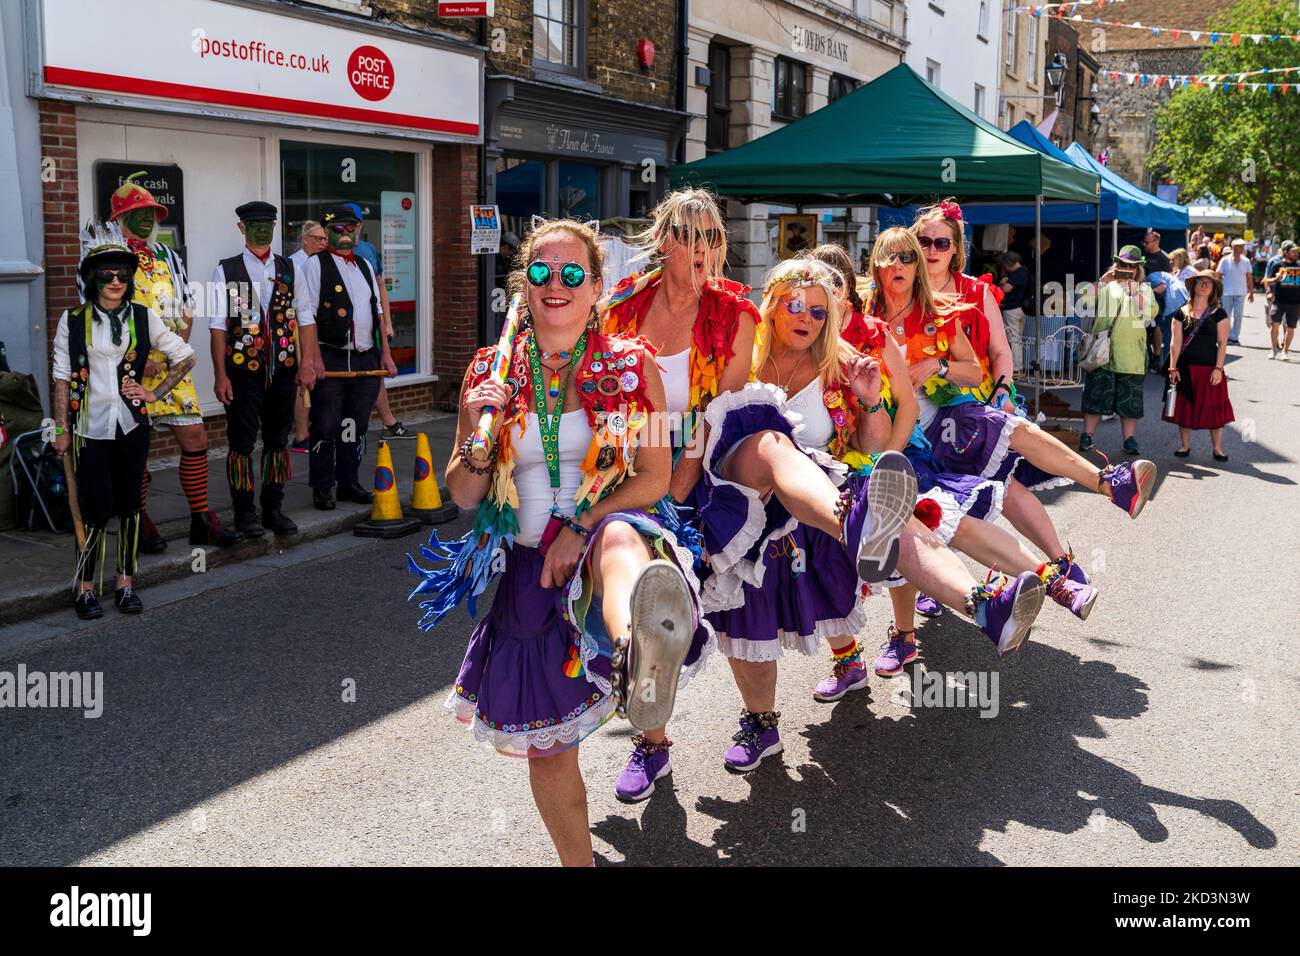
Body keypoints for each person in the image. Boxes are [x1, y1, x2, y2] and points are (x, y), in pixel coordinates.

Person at [407, 218, 706, 866]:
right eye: (542, 272)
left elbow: (654, 477)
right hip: (527, 571)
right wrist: (476, 441)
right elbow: (462, 495)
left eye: (574, 274)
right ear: (524, 285)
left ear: (597, 287)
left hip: (606, 529)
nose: (556, 285)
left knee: (620, 543)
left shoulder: (632, 369)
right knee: (549, 748)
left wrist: (577, 527)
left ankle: (636, 651)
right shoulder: (490, 371)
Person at [600, 188, 915, 794]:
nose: (701, 249)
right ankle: (651, 743)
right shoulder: (620, 308)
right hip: (631, 467)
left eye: (713, 237)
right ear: (662, 239)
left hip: (704, 469)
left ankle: (952, 588)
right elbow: (602, 390)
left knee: (745, 595)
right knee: (649, 604)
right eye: (688, 235)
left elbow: (719, 410)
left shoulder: (734, 314)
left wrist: (679, 487)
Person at [907, 200, 1096, 622]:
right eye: (924, 241)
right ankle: (936, 584)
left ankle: (1062, 563)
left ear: (956, 248)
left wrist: (1005, 389)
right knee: (939, 498)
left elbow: (999, 350)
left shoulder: (976, 291)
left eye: (942, 242)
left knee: (1006, 490)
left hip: (977, 406)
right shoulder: (901, 290)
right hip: (920, 419)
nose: (932, 248)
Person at [53, 223, 197, 618]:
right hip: (88, 428)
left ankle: (125, 584)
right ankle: (85, 588)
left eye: (122, 274)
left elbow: (186, 355)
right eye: (106, 274)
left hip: (132, 427)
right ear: (91, 278)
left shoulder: (143, 316)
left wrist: (154, 393)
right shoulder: (72, 320)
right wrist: (62, 429)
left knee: (131, 505)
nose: (116, 280)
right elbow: (62, 377)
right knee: (93, 507)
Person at [105, 174, 240, 551]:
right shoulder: (107, 258)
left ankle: (202, 521)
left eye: (151, 212)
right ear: (120, 216)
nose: (147, 219)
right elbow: (101, 315)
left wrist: (177, 346)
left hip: (172, 368)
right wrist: (135, 357)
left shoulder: (167, 256)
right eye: (138, 212)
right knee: (137, 447)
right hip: (131, 370)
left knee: (195, 436)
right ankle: (140, 522)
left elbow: (186, 306)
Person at [209, 202, 318, 537]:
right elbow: (217, 326)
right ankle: (244, 513)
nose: (260, 230)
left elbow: (306, 319)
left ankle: (273, 508)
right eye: (253, 225)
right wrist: (220, 375)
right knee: (241, 442)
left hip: (283, 368)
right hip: (242, 370)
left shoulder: (289, 268)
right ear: (241, 228)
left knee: (277, 440)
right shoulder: (226, 270)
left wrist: (308, 364)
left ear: (273, 227)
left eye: (267, 224)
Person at [294, 203, 397, 510]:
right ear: (327, 233)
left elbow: (378, 313)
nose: (346, 234)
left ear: (358, 230)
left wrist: (386, 356)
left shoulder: (365, 265)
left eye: (351, 229)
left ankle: (348, 482)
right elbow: (307, 317)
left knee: (355, 423)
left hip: (366, 356)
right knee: (325, 424)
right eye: (338, 230)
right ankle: (323, 486)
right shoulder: (315, 265)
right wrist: (313, 360)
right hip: (331, 355)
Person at [342, 202, 411, 441]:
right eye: (347, 224)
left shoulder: (369, 250)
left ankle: (388, 421)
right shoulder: (331, 253)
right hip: (344, 332)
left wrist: (387, 323)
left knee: (376, 373)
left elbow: (380, 287)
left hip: (372, 324)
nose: (353, 229)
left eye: (356, 224)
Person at [1082, 246, 1158, 455]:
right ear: (1116, 266)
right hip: (1102, 352)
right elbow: (1083, 302)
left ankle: (1130, 439)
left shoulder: (1144, 289)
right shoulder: (1107, 286)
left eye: (1131, 266)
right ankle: (1087, 436)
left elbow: (1150, 312)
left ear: (1138, 269)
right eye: (1122, 265)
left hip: (1131, 354)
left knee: (1130, 400)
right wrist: (1101, 281)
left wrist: (1134, 291)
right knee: (1095, 396)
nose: (1126, 269)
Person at [1165, 270, 1233, 462]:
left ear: (1213, 290)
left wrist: (1218, 369)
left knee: (1214, 409)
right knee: (1184, 408)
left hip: (1209, 369)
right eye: (1200, 282)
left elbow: (1222, 344)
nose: (1204, 285)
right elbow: (1175, 343)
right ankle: (1185, 446)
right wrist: (1173, 368)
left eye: (1208, 283)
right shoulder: (1181, 312)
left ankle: (1217, 449)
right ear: (1194, 286)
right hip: (1185, 368)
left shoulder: (1219, 313)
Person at [288, 221, 327, 454]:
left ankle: (313, 428)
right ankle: (301, 434)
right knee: (303, 383)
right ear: (305, 239)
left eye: (324, 238)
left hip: (317, 327)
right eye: (317, 239)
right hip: (299, 328)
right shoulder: (295, 263)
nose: (322, 243)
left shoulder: (323, 262)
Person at [1261, 241, 1300, 360]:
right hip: (1279, 300)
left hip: (1295, 302)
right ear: (1285, 252)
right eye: (1293, 251)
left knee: (1290, 327)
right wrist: (1274, 283)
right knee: (1275, 325)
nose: (1296, 253)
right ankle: (1273, 350)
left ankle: (1285, 351)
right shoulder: (1277, 265)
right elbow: (1267, 281)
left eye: (1296, 251)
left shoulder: (1299, 266)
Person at [1216, 237, 1254, 346]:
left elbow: (1249, 277)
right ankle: (1226, 337)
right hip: (1226, 292)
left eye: (1242, 247)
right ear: (1233, 248)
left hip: (1240, 292)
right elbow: (1218, 275)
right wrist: (1218, 291)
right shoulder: (1225, 260)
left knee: (1238, 315)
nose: (1241, 249)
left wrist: (1251, 292)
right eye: (1239, 247)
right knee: (1226, 316)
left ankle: (1234, 337)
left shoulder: (1246, 261)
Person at [998, 250, 1030, 370]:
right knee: (1018, 338)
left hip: (1012, 308)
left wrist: (1001, 284)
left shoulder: (1017, 274)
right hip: (1021, 309)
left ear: (1008, 263)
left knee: (1013, 338)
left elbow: (1006, 289)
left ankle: (1016, 367)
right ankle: (1019, 366)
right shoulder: (1025, 271)